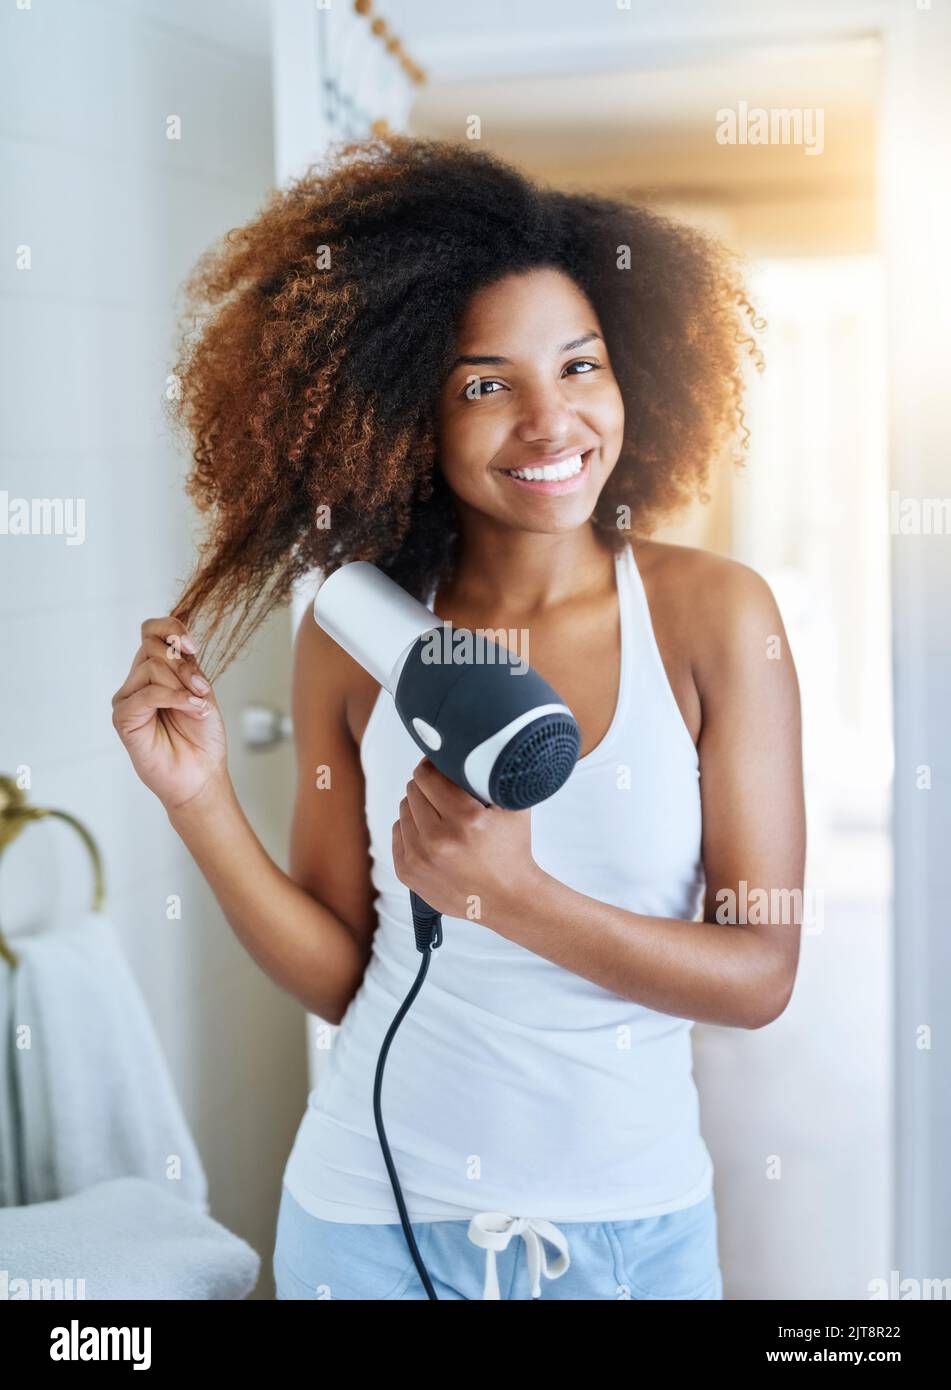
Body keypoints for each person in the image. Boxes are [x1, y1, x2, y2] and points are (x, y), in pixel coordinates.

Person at [111, 133, 805, 1300]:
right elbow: (344, 970)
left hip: (630, 1230)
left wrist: (519, 898)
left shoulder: (716, 618)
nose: (551, 422)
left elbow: (760, 974)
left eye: (581, 366)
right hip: (371, 1218)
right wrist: (200, 803)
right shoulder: (360, 634)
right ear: (401, 419)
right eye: (487, 384)